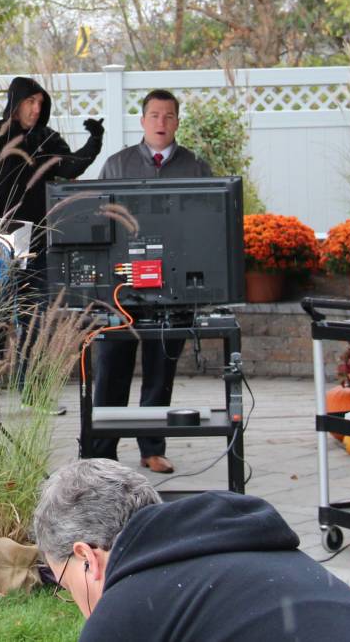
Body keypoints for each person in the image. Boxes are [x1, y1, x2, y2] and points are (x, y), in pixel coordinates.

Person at [32, 458, 350, 642]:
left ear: (86, 557)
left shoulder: (128, 609)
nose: (81, 610)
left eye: (68, 589)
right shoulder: (253, 547)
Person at [85, 90, 211, 473]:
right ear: (142, 121)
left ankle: (152, 448)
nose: (161, 122)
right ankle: (102, 453)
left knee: (161, 371)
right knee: (111, 369)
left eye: (169, 116)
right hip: (124, 288)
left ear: (176, 122)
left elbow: (206, 223)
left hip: (172, 289)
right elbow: (99, 221)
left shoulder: (196, 167)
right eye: (154, 115)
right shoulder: (117, 165)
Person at [0, 76, 104, 382]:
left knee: (34, 315)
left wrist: (94, 140)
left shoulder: (47, 139)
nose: (37, 108)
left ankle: (30, 386)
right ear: (16, 102)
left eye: (41, 103)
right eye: (31, 101)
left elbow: (70, 166)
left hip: (37, 239)